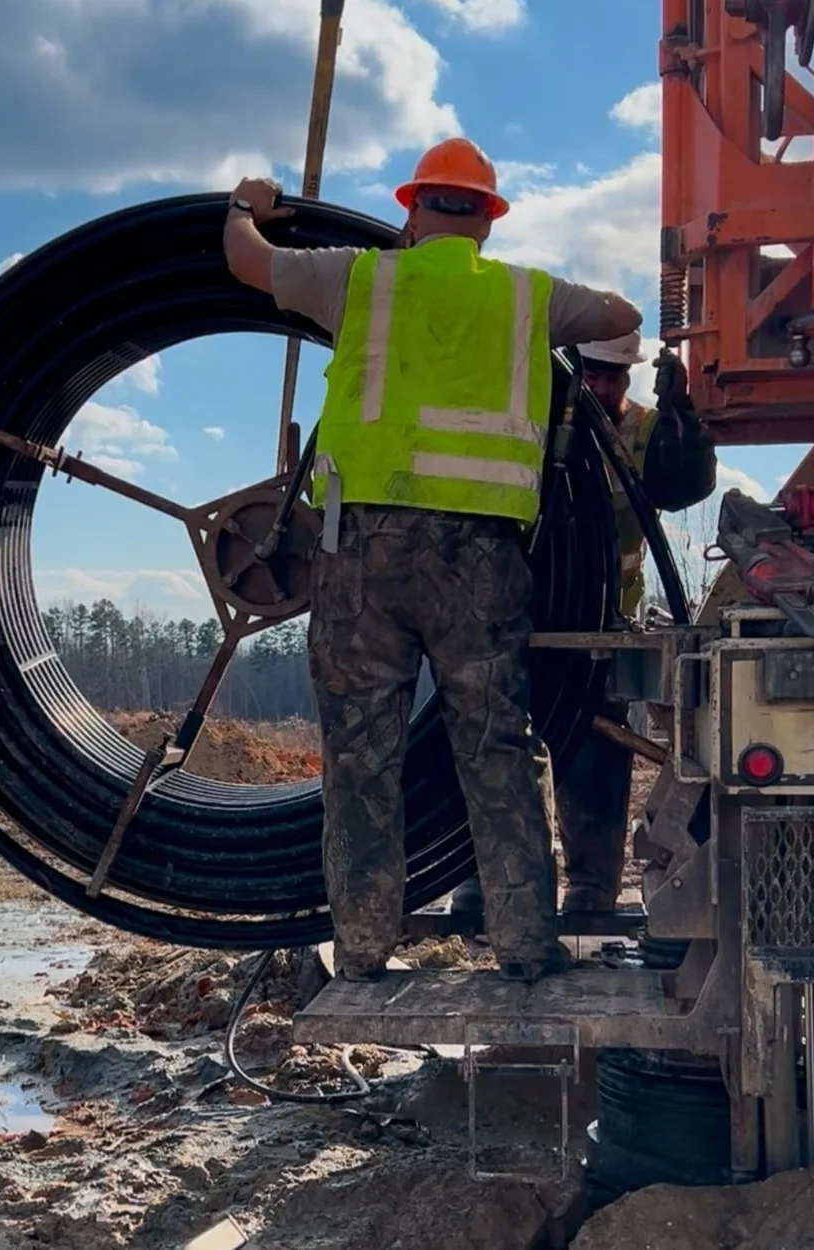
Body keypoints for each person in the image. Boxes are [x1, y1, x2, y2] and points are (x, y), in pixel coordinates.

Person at [223, 137, 642, 982]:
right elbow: (621, 315)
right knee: (496, 750)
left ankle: (366, 950)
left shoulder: (359, 280)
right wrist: (555, 305)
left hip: (363, 556)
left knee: (360, 758)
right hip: (480, 559)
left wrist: (245, 203)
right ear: (487, 219)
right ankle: (527, 945)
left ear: (412, 209)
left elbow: (247, 262)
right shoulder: (527, 297)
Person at [451, 329, 717, 920]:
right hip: (520, 613)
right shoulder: (531, 423)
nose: (598, 386)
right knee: (491, 740)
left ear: (627, 379)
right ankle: (479, 874)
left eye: (611, 378)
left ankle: (591, 884)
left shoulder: (642, 433)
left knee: (594, 745)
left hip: (601, 619)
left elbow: (683, 486)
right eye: (589, 373)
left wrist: (684, 424)